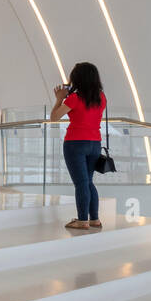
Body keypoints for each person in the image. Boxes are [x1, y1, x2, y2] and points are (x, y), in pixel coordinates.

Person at [51, 61, 106, 231]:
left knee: (81, 183)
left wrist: (60, 98)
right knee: (88, 182)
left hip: (75, 143)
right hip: (95, 143)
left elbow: (54, 117)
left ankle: (82, 220)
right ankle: (94, 219)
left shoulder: (74, 98)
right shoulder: (101, 97)